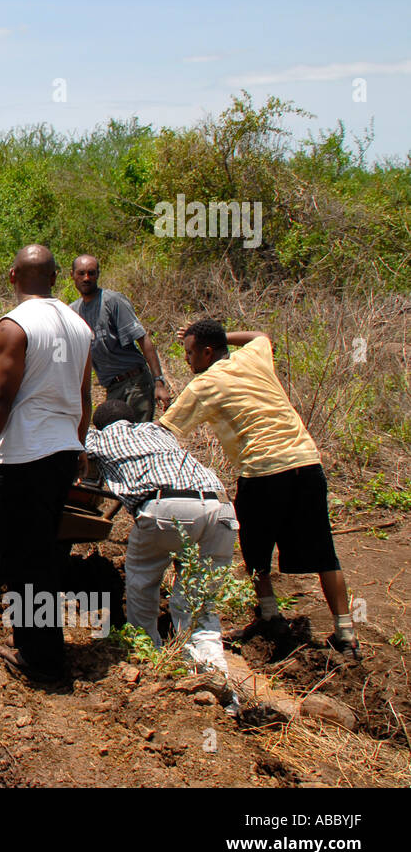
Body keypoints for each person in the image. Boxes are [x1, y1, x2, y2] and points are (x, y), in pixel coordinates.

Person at [160, 320, 360, 658]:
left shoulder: (204, 384)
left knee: (255, 550)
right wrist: (224, 336)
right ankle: (345, 631)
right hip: (307, 463)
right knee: (325, 551)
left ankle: (269, 614)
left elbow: (165, 430)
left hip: (263, 472)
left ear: (207, 352)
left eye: (190, 352)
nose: (187, 360)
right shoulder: (253, 357)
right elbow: (262, 336)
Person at [0, 244, 93, 682]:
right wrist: (78, 446)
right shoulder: (79, 327)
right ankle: (33, 646)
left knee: (25, 559)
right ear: (57, 278)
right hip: (60, 453)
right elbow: (84, 398)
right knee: (40, 555)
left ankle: (41, 660)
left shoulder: (15, 325)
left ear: (12, 276)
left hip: (26, 455)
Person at [86, 399, 237, 675]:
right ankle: (214, 675)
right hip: (221, 506)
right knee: (199, 602)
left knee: (142, 580)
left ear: (100, 426)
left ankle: (148, 656)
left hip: (167, 506)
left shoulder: (98, 438)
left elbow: (75, 460)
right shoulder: (159, 432)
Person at [69, 255, 171, 421]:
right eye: (81, 273)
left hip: (135, 383)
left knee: (138, 437)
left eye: (91, 273)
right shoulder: (73, 311)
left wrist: (159, 382)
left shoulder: (112, 301)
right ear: (72, 275)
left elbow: (143, 339)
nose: (86, 278)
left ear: (98, 275)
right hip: (112, 387)